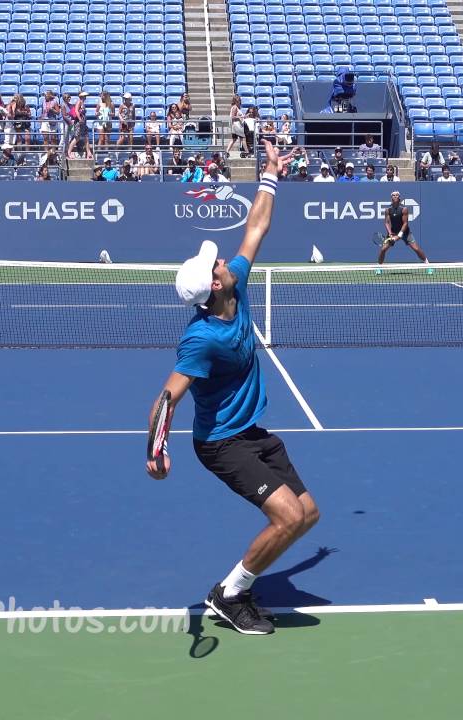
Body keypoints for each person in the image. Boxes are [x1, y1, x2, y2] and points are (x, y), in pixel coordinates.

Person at [146, 141, 315, 636]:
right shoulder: (201, 340)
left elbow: (255, 227)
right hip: (219, 443)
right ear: (213, 286)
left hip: (251, 430)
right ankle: (228, 594)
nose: (223, 260)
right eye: (217, 265)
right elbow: (166, 396)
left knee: (306, 515)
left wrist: (269, 175)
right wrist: (155, 450)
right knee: (285, 516)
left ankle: (241, 583)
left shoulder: (233, 284)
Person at [378, 191, 430, 269]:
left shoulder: (404, 209)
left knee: (416, 248)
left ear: (399, 198)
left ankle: (428, 265)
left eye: (397, 195)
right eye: (393, 195)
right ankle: (379, 267)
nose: (395, 196)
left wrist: (399, 236)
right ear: (391, 197)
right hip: (393, 232)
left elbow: (405, 223)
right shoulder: (388, 210)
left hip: (405, 232)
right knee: (383, 249)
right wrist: (390, 233)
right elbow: (386, 222)